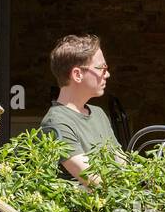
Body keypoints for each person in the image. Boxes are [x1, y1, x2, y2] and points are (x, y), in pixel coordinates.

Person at [38, 34, 120, 187]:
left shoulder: (98, 114)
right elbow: (93, 180)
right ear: (77, 74)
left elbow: (121, 163)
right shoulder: (56, 122)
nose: (107, 74)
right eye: (102, 68)